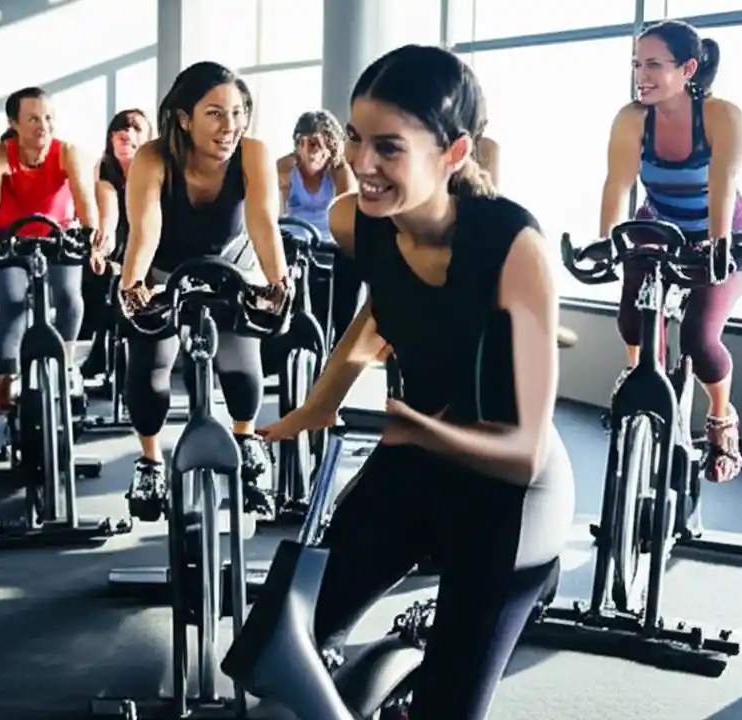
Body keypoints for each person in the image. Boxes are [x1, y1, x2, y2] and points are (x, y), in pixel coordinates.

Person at [256, 45, 574, 719]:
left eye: (390, 149)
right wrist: (321, 403)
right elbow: (384, 307)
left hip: (511, 496)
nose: (361, 166)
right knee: (275, 645)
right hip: (416, 462)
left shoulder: (513, 245)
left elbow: (524, 449)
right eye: (356, 139)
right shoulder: (354, 220)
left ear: (455, 153)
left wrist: (422, 427)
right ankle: (388, 672)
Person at [117, 61, 291, 516]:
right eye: (214, 113)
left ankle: (245, 435)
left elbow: (263, 224)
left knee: (239, 361)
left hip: (232, 266)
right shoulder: (153, 158)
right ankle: (151, 460)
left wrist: (279, 281)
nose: (229, 127)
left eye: (237, 113)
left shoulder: (253, 154)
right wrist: (132, 284)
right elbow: (145, 229)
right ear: (183, 118)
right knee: (151, 367)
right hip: (164, 270)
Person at [600, 20, 742, 483]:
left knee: (700, 343)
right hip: (659, 229)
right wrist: (606, 241)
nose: (640, 75)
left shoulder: (722, 116)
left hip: (722, 234)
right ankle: (641, 382)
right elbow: (618, 184)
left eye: (653, 65)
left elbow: (722, 185)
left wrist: (717, 247)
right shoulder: (632, 118)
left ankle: (722, 419)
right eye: (636, 64)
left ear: (687, 69)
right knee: (630, 320)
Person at [0, 86, 102, 457]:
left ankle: (65, 367)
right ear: (14, 123)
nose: (42, 126)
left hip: (58, 237)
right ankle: (1, 408)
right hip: (11, 240)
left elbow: (84, 198)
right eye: (32, 119)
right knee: (12, 307)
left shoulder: (67, 152)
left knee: (70, 301)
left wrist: (92, 236)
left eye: (48, 118)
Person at [80, 108, 153, 381]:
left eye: (135, 130)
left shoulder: (155, 168)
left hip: (153, 235)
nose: (126, 134)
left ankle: (108, 356)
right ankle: (104, 350)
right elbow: (108, 214)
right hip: (121, 235)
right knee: (100, 276)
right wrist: (101, 247)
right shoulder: (104, 168)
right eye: (120, 130)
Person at [276, 110, 358, 349]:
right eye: (301, 143)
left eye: (314, 144)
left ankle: (342, 339)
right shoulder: (285, 166)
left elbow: (347, 211)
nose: (306, 151)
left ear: (330, 147)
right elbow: (272, 211)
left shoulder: (340, 172)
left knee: (350, 270)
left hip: (330, 240)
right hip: (296, 238)